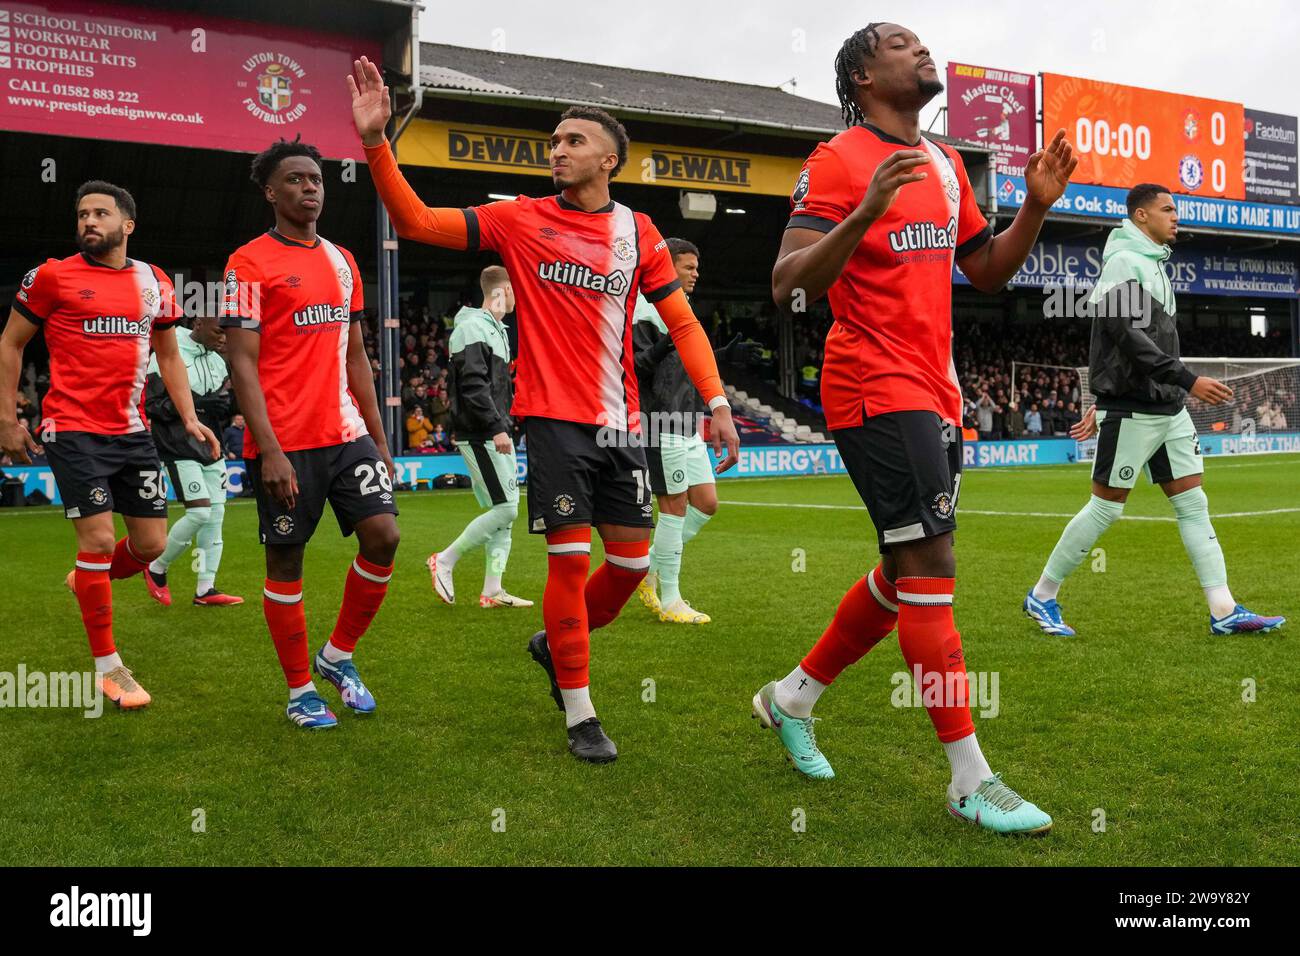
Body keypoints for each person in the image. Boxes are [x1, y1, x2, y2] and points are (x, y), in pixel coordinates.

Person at [349, 56, 739, 763]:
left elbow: (682, 324)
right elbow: (414, 221)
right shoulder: (520, 220)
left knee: (626, 566)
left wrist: (716, 401)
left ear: (609, 159)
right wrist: (377, 141)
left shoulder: (641, 233)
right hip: (554, 420)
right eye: (553, 142)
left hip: (622, 424)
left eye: (573, 142)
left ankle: (553, 646)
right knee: (566, 563)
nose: (557, 151)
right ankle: (581, 711)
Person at [755, 22, 1076, 834]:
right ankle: (970, 779)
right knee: (931, 562)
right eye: (901, 44)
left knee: (904, 576)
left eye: (921, 41)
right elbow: (788, 287)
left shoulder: (943, 163)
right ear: (863, 76)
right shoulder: (837, 161)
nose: (922, 50)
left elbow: (987, 271)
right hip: (871, 384)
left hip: (938, 392)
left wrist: (1034, 208)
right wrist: (864, 212)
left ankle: (792, 697)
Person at [1025, 183, 1284, 637]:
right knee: (1106, 509)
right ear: (1140, 216)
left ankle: (1223, 609)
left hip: (1166, 408)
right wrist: (1184, 379)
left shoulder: (1155, 265)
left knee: (1193, 504)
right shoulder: (1124, 261)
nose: (1174, 216)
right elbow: (1124, 335)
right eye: (1167, 209)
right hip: (1134, 408)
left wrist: (1170, 391)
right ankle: (1042, 596)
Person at [0, 180, 219, 708]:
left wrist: (188, 418)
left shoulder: (155, 281)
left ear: (128, 225)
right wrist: (7, 420)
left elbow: (168, 355)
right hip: (72, 428)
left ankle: (87, 578)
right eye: (81, 215)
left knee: (148, 547)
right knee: (98, 540)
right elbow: (10, 343)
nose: (88, 222)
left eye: (100, 213)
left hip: (133, 431)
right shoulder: (52, 276)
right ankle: (110, 668)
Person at [221, 137, 400, 730]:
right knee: (286, 563)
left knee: (384, 536)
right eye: (296, 180)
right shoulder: (247, 263)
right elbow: (241, 360)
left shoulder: (344, 261)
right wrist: (267, 449)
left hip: (345, 432)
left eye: (316, 179)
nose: (310, 187)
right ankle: (300, 691)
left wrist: (377, 437)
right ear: (271, 192)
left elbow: (356, 357)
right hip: (284, 442)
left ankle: (338, 656)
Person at [632, 238, 754, 624]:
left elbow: (682, 363)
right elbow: (636, 367)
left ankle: (646, 570)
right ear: (667, 267)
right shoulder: (644, 308)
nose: (696, 273)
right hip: (660, 420)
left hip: (687, 420)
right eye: (688, 266)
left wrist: (723, 357)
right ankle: (670, 600)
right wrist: (665, 343)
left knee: (706, 503)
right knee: (674, 507)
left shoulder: (679, 308)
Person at [427, 265, 533, 609]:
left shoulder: (495, 329)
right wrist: (496, 427)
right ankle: (444, 559)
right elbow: (473, 385)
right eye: (515, 289)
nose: (518, 297)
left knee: (505, 509)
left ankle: (492, 590)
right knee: (505, 510)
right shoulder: (473, 327)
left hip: (492, 429)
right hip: (481, 432)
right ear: (502, 290)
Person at [143, 313, 242, 606]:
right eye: (218, 332)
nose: (223, 338)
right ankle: (156, 568)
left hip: (213, 448)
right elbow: (153, 406)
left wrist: (221, 405)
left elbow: (222, 406)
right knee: (199, 512)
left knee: (215, 516)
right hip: (177, 446)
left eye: (227, 334)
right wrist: (198, 405)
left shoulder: (216, 360)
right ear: (198, 323)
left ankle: (205, 589)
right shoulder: (168, 351)